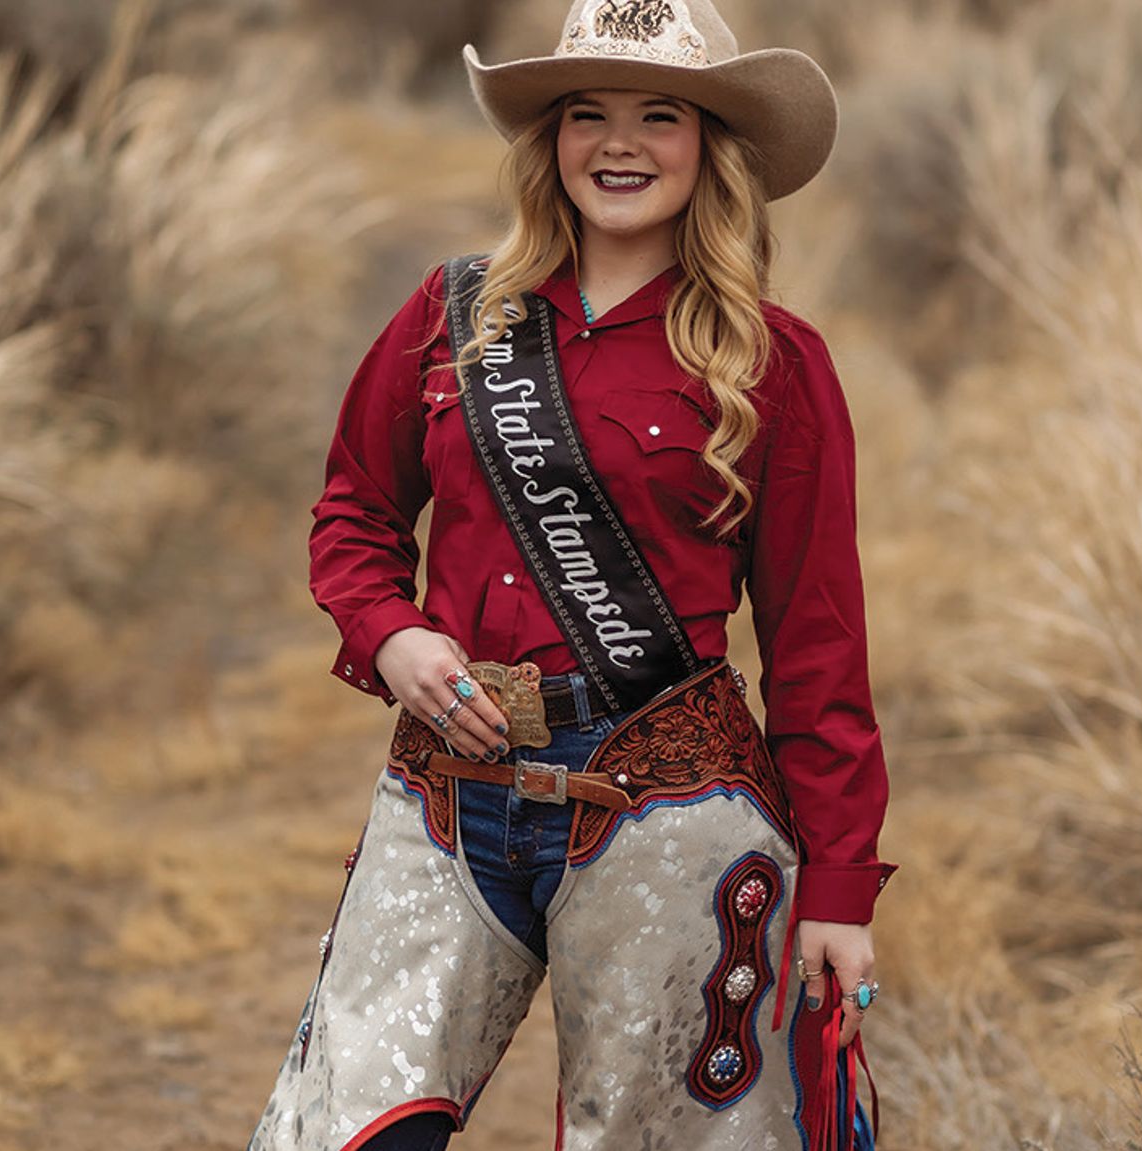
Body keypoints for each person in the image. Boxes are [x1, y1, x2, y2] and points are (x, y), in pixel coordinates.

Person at [247, 2, 897, 1148]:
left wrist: (839, 885)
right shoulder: (452, 315)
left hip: (671, 817)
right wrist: (390, 632)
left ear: (713, 146)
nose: (620, 142)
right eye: (587, 112)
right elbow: (353, 509)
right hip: (447, 802)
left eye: (661, 113)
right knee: (342, 1131)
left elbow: (816, 643)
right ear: (549, 140)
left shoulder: (773, 364)